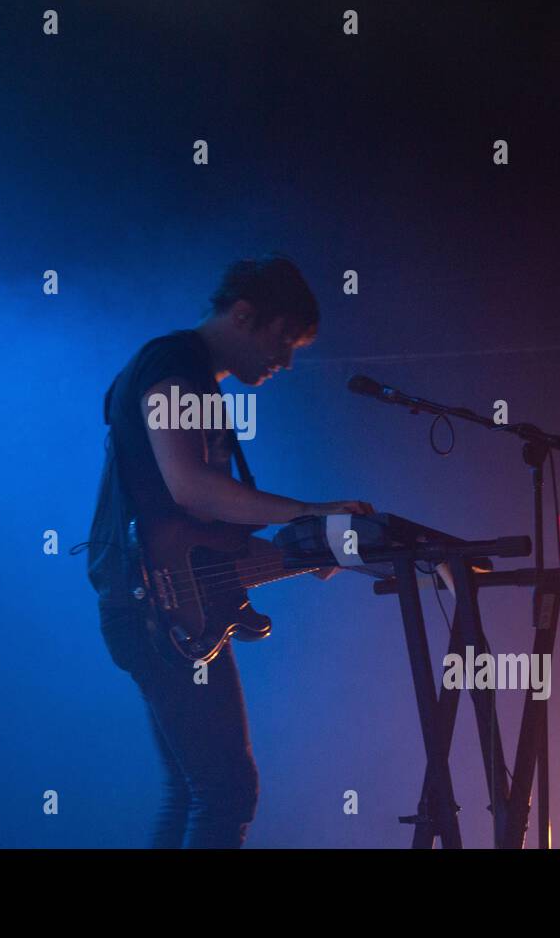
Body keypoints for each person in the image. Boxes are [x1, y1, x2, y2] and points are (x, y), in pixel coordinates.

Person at [86, 254, 373, 848]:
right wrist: (308, 512)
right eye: (282, 339)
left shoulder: (192, 377)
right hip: (155, 607)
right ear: (244, 315)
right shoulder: (172, 364)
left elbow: (200, 524)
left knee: (195, 791)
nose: (287, 360)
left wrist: (298, 552)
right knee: (226, 792)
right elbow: (188, 485)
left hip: (165, 604)